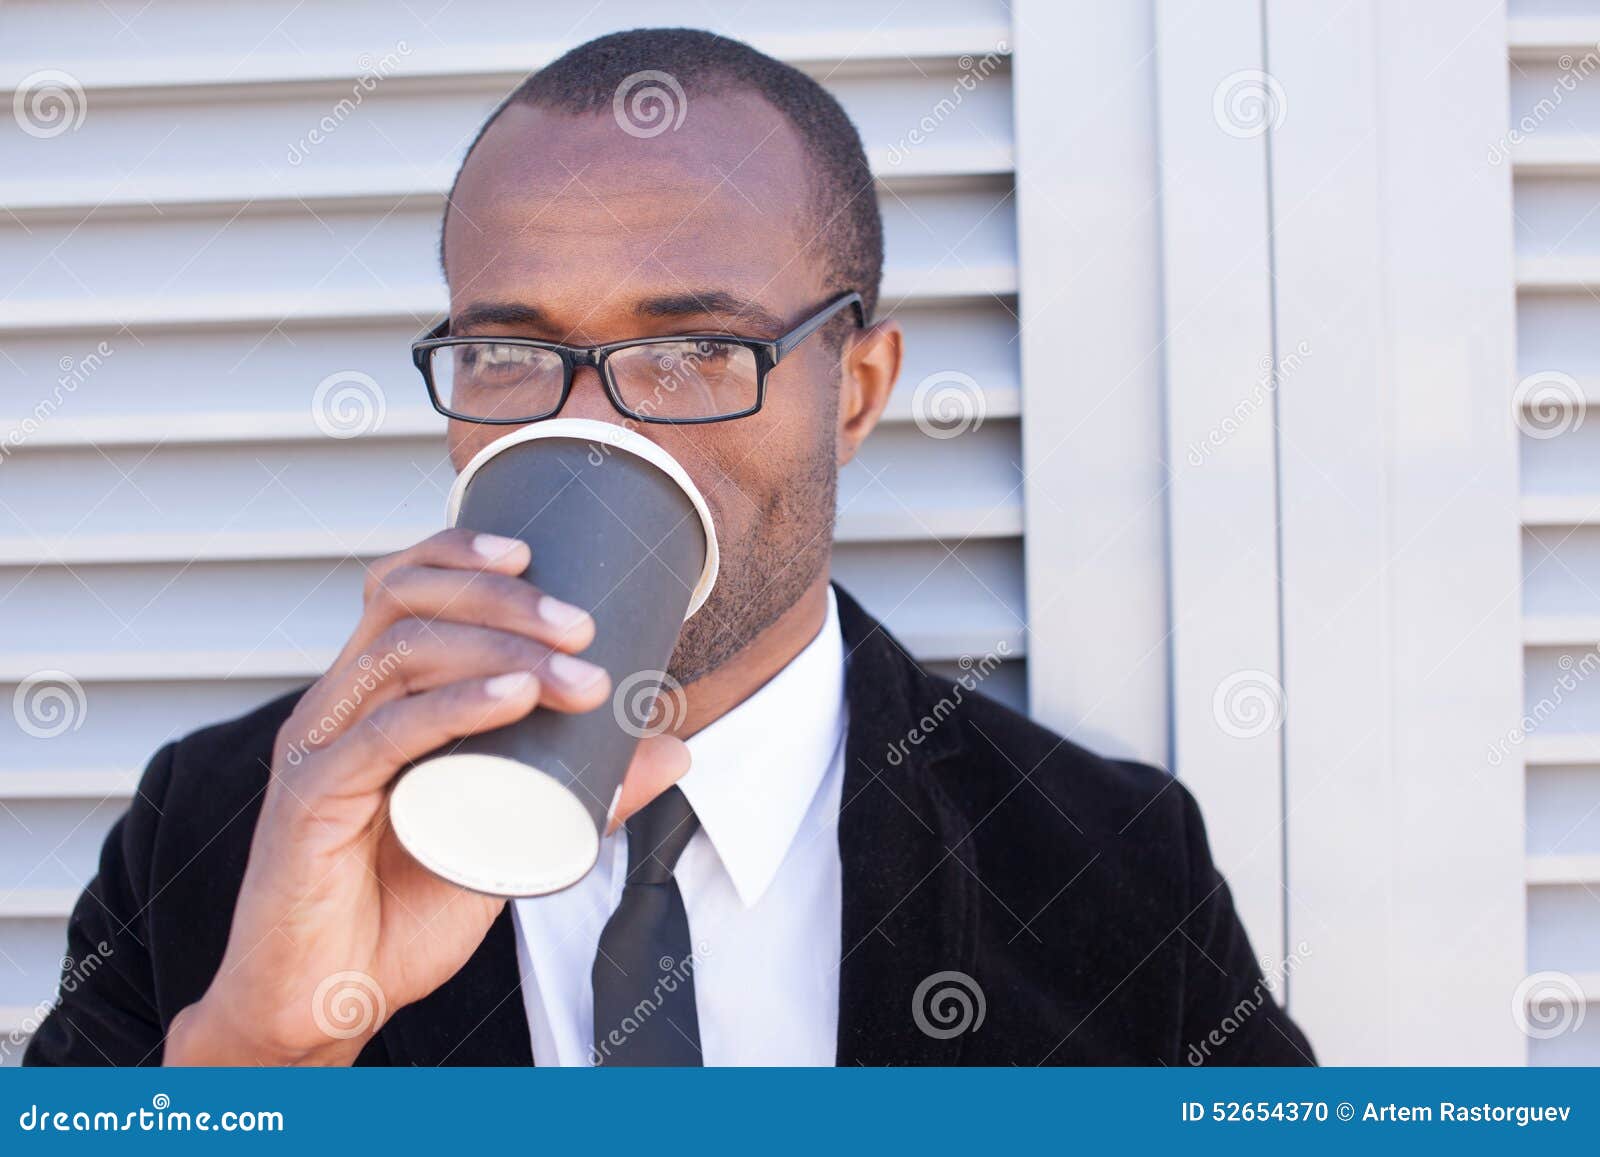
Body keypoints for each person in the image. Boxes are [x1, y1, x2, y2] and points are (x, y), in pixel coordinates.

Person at [26, 27, 1312, 1067]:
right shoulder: (218, 831)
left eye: (698, 350)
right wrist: (263, 1059)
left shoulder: (1109, 868)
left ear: (855, 391)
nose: (590, 427)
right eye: (512, 352)